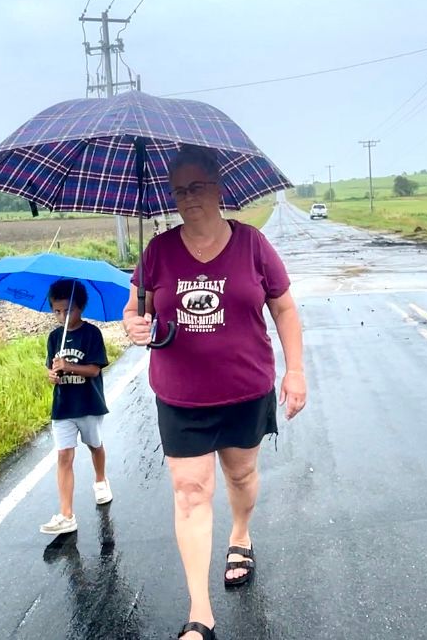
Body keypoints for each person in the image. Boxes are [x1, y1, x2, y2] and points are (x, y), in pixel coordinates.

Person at [122, 145, 307, 640]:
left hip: (246, 389)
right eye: (179, 190)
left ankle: (240, 534)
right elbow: (135, 309)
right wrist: (133, 323)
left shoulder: (252, 245)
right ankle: (200, 612)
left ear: (219, 187)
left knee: (241, 474)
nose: (188, 198)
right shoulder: (157, 251)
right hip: (181, 396)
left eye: (197, 186)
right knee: (190, 491)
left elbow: (284, 309)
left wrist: (295, 372)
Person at [39, 278, 113, 536]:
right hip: (63, 406)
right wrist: (52, 375)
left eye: (68, 310)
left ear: (81, 307)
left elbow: (94, 370)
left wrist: (68, 366)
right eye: (57, 311)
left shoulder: (92, 334)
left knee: (94, 445)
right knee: (64, 455)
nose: (62, 316)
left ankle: (101, 479)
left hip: (89, 403)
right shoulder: (54, 338)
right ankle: (66, 515)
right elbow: (51, 369)